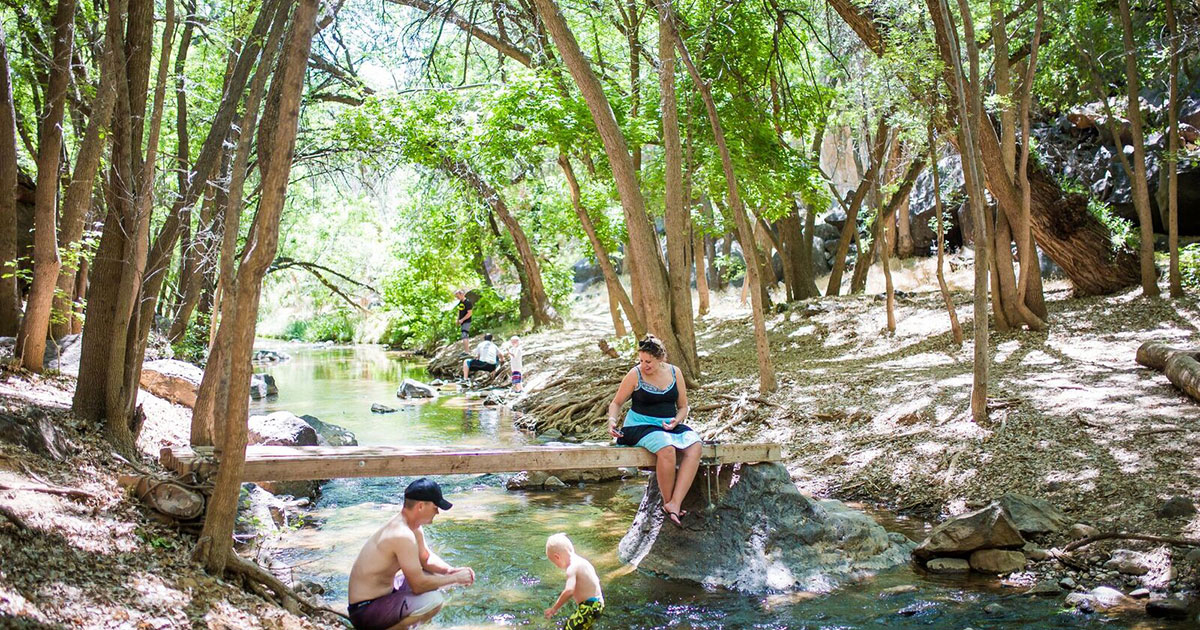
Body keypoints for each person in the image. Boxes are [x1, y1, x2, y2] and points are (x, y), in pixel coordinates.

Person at [347, 478, 475, 629]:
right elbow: (418, 586)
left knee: (436, 576)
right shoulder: (402, 534)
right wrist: (455, 579)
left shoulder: (411, 526)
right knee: (433, 600)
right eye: (435, 507)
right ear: (421, 506)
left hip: (381, 597)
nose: (438, 512)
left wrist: (450, 571)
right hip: (365, 610)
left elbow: (426, 558)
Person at [606, 334, 701, 527]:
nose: (644, 365)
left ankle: (675, 502)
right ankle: (667, 504)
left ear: (661, 359)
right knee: (667, 448)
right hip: (639, 427)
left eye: (648, 361)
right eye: (641, 360)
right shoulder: (635, 374)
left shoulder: (676, 373)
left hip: (668, 425)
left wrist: (677, 420)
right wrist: (612, 420)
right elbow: (616, 403)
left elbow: (683, 406)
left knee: (695, 446)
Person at [543, 533, 604, 630]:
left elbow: (569, 591)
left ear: (557, 557)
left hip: (589, 606)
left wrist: (554, 609)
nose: (556, 566)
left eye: (555, 563)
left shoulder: (572, 568)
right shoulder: (583, 562)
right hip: (597, 604)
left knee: (569, 628)